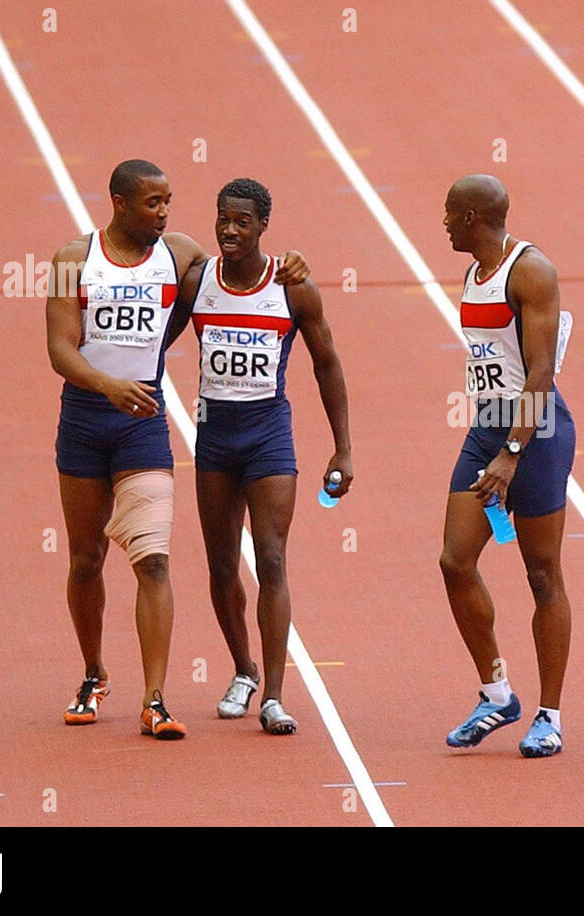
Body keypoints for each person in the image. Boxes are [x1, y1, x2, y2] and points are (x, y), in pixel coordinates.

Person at [48, 159, 308, 739]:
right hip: (86, 422)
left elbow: (243, 264)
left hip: (142, 427)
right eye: (153, 204)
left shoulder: (181, 253)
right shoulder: (72, 261)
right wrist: (107, 385)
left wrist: (294, 260)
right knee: (87, 559)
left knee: (155, 561)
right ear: (119, 203)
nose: (165, 213)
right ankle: (93, 673)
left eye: (169, 202)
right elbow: (60, 349)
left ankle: (155, 698)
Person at [165, 178, 352, 735]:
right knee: (221, 565)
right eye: (223, 218)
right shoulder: (199, 282)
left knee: (270, 559)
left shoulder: (293, 288)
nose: (229, 230)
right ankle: (242, 671)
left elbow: (328, 365)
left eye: (242, 221)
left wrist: (343, 447)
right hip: (216, 440)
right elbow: (158, 339)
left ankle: (273, 695)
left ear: (263, 225)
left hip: (269, 437)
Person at [439, 174, 576, 758]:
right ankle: (497, 692)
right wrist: (493, 442)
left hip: (536, 433)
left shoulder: (530, 271)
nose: (443, 223)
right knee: (454, 560)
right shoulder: (474, 273)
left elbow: (540, 374)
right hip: (486, 427)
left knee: (542, 575)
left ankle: (549, 715)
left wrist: (512, 453)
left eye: (449, 214)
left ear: (472, 217)